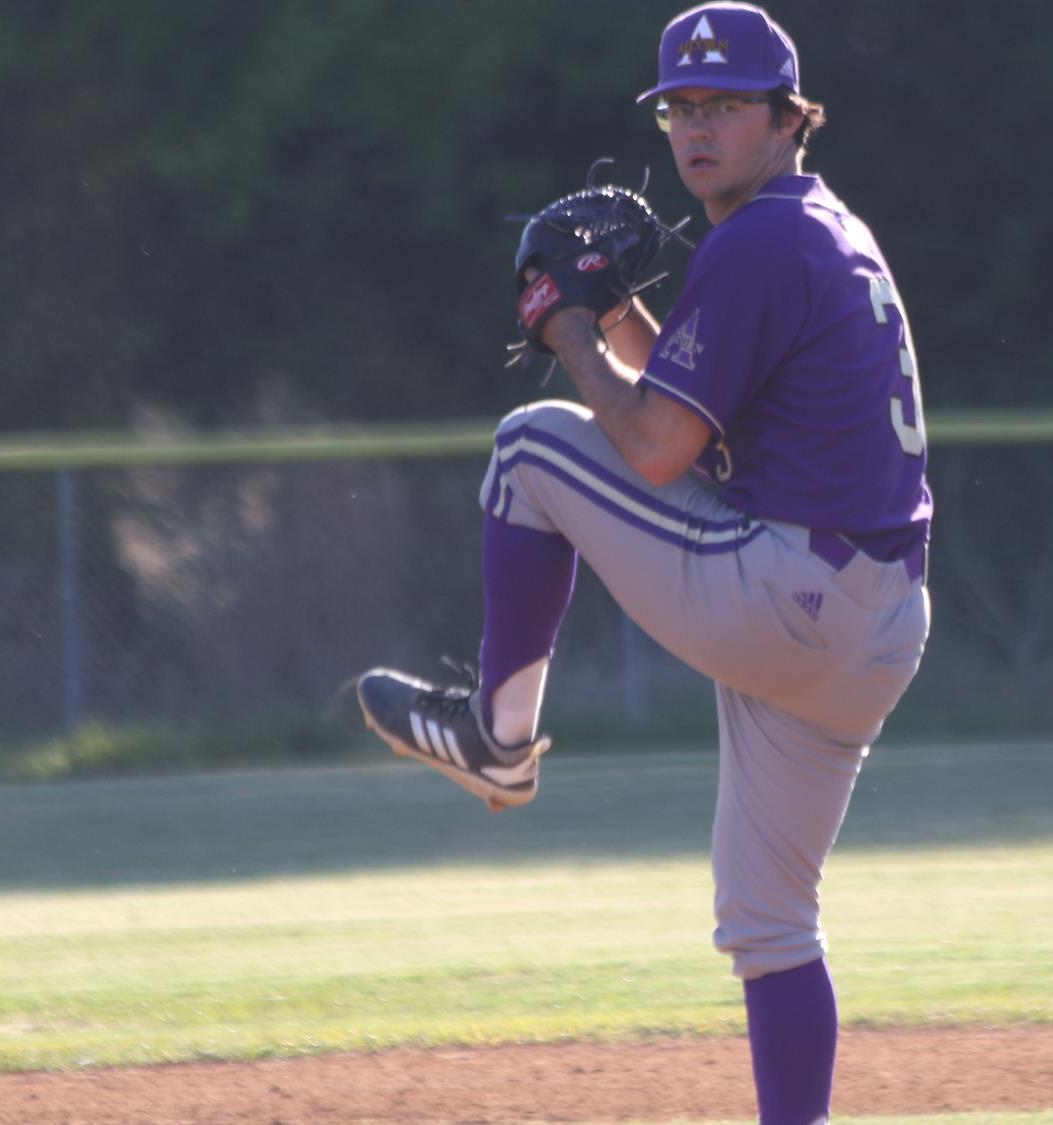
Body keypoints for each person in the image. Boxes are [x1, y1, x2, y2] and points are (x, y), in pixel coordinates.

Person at [356, 3, 931, 1120]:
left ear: (788, 117)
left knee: (531, 446)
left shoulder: (757, 240)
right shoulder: (816, 229)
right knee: (768, 922)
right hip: (879, 621)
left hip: (791, 593)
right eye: (679, 108)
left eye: (726, 106)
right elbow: (697, 416)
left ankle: (498, 742)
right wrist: (614, 309)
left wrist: (566, 326)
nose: (696, 128)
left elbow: (660, 448)